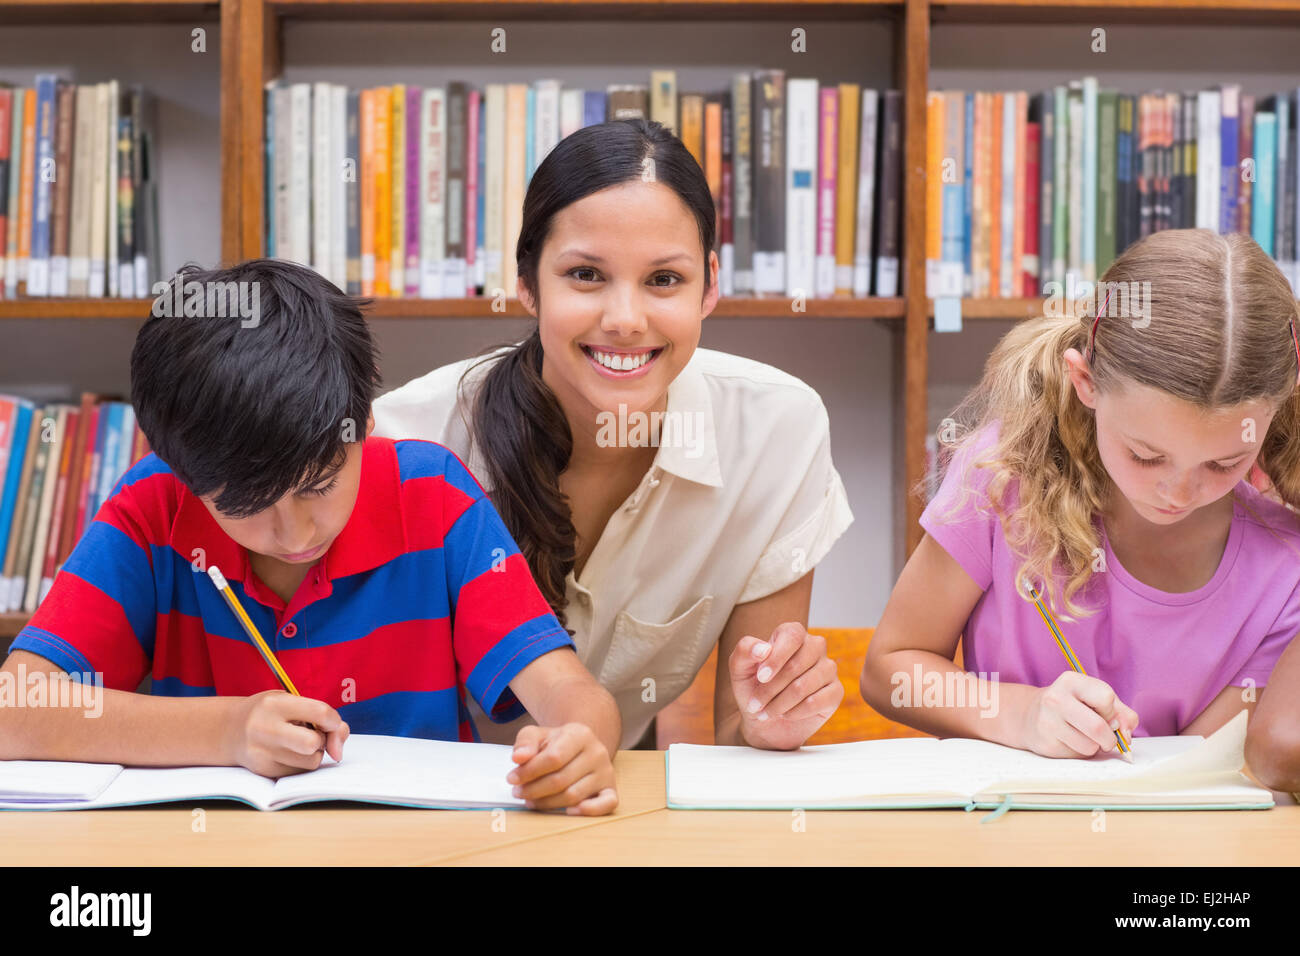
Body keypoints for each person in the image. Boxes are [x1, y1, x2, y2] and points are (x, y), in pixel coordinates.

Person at [0, 258, 621, 815]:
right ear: (186, 474)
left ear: (366, 424)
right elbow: (15, 707)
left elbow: (570, 690)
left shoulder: (433, 498)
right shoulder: (154, 508)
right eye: (245, 505)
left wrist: (579, 741)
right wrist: (226, 730)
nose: (295, 533)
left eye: (320, 486)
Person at [374, 118, 854, 751]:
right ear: (526, 285)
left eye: (663, 280)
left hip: (605, 806)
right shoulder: (402, 441)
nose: (625, 320)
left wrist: (773, 720)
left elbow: (742, 728)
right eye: (586, 275)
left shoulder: (778, 432)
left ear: (709, 285)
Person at [862, 229, 1300, 764]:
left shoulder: (1285, 566)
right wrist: (1017, 713)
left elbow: (1191, 769)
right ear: (1085, 381)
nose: (1178, 492)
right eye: (1145, 454)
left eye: (1223, 463)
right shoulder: (1002, 477)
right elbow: (891, 668)